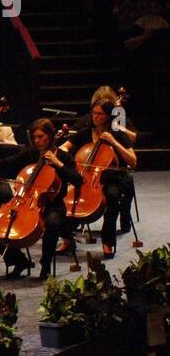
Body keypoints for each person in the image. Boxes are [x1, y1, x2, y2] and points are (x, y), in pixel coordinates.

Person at [0, 119, 81, 280]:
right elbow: (9, 161)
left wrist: (58, 164)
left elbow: (78, 180)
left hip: (53, 204)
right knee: (1, 227)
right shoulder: (31, 153)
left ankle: (46, 265)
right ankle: (20, 262)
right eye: (35, 137)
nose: (37, 141)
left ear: (51, 136)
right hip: (27, 202)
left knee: (52, 222)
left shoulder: (63, 157)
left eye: (41, 137)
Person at [59, 98, 136, 258]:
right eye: (94, 113)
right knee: (62, 200)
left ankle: (107, 241)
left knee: (113, 197)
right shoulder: (85, 133)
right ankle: (67, 239)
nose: (95, 117)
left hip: (112, 178)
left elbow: (133, 161)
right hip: (87, 178)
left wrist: (114, 142)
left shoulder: (117, 134)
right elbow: (64, 148)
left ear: (108, 116)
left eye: (100, 114)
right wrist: (61, 154)